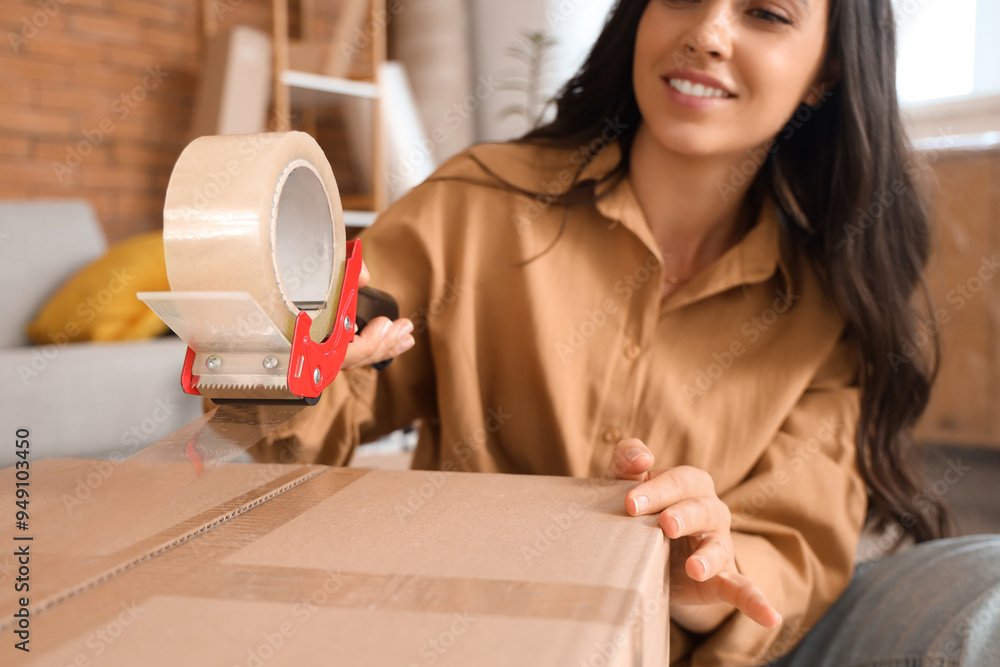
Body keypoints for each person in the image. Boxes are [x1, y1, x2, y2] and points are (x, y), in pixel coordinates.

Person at [255, 0, 1000, 664]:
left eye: (766, 14)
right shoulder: (475, 208)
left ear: (826, 71)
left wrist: (698, 577)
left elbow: (792, 551)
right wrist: (291, 366)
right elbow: (301, 421)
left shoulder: (832, 303)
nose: (707, 32)